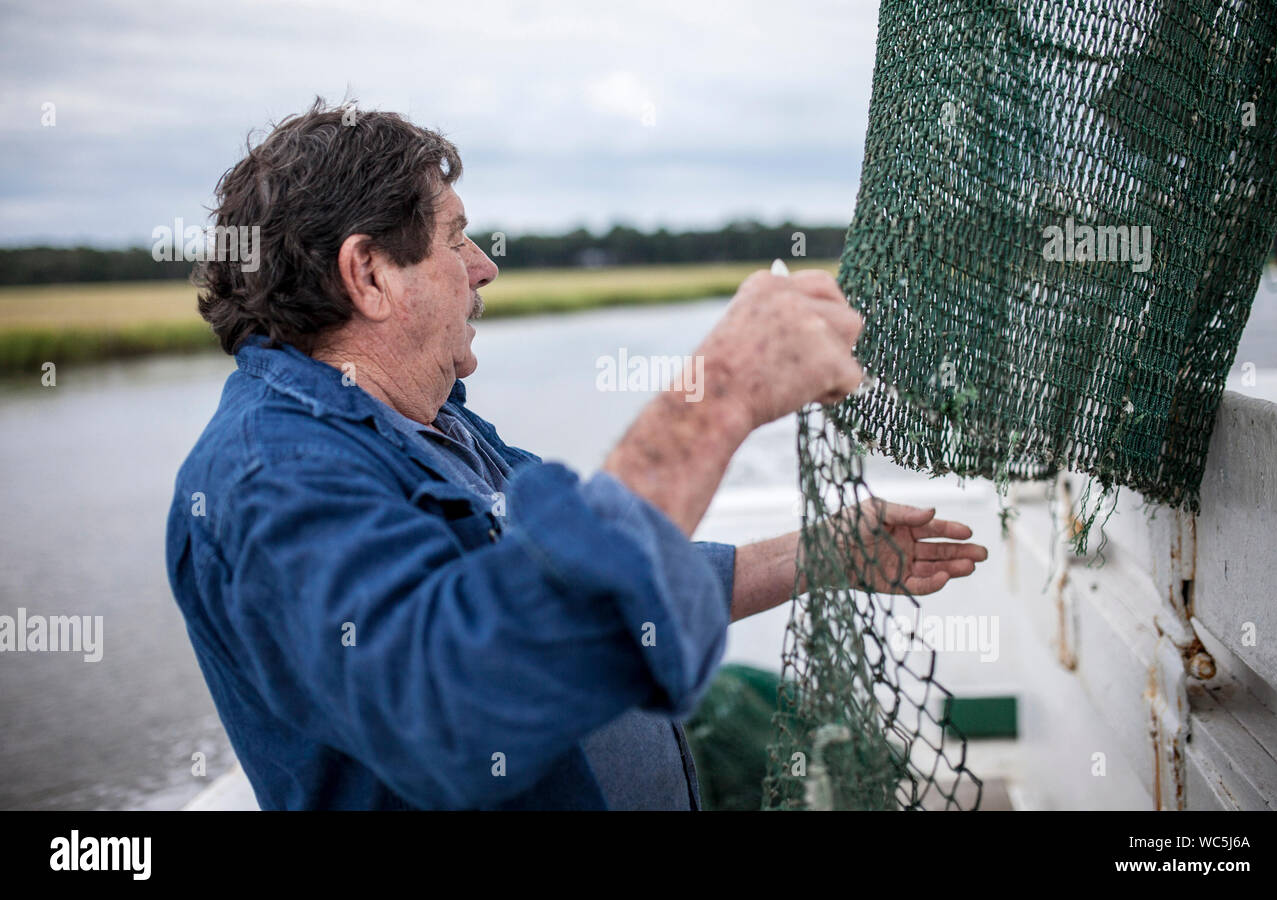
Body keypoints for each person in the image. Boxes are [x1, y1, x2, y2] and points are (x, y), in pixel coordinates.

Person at [166, 99, 988, 810]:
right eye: (456, 240)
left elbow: (582, 587)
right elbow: (460, 709)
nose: (484, 266)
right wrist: (722, 392)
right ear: (370, 275)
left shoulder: (433, 428)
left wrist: (815, 554)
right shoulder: (268, 480)